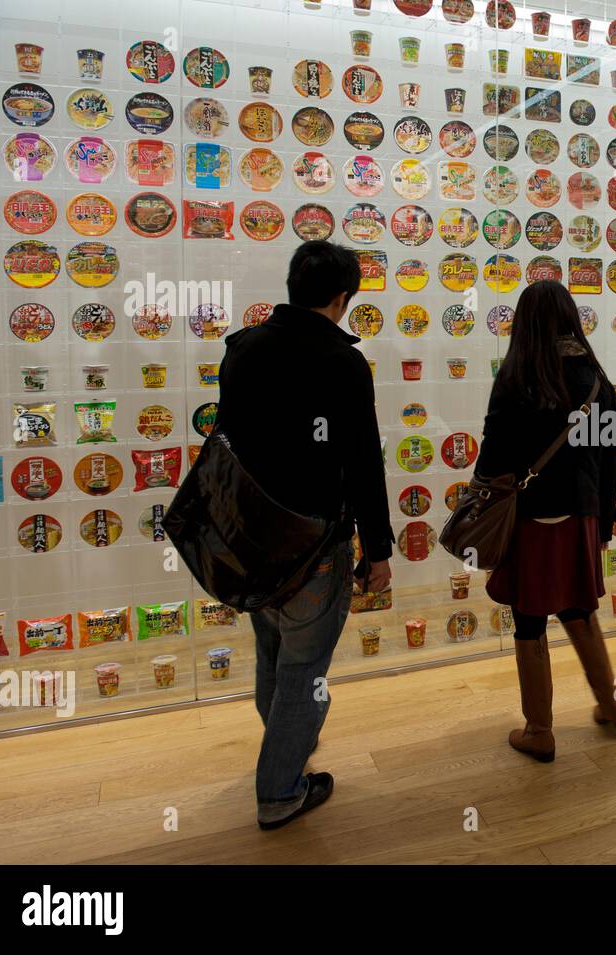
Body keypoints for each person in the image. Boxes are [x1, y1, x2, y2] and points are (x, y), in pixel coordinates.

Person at [214, 240, 393, 829]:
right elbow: (364, 462)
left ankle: (284, 747)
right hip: (317, 540)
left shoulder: (242, 350)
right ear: (342, 298)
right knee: (305, 666)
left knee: (272, 649)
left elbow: (228, 450)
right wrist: (381, 550)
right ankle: (280, 791)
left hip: (252, 539)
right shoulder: (341, 362)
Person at [475, 280, 616, 763]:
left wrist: (480, 502)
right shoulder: (596, 380)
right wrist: (603, 522)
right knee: (578, 607)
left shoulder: (517, 376)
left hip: (530, 516)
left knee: (529, 617)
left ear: (524, 322)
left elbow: (494, 455)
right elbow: (608, 461)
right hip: (581, 513)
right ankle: (611, 705)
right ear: (571, 319)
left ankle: (540, 730)